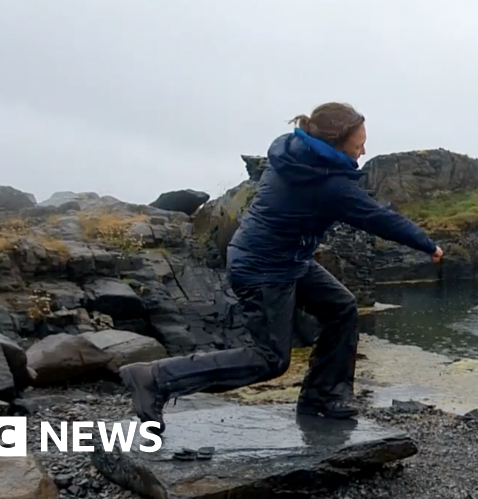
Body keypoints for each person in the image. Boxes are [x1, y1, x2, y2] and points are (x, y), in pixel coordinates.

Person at [119, 102, 443, 433]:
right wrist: (428, 244)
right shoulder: (327, 182)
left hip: (284, 259)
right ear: (336, 142)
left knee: (342, 308)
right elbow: (377, 218)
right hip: (264, 269)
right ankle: (154, 378)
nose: (363, 151)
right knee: (270, 359)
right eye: (358, 144)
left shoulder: (297, 156)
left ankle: (324, 396)